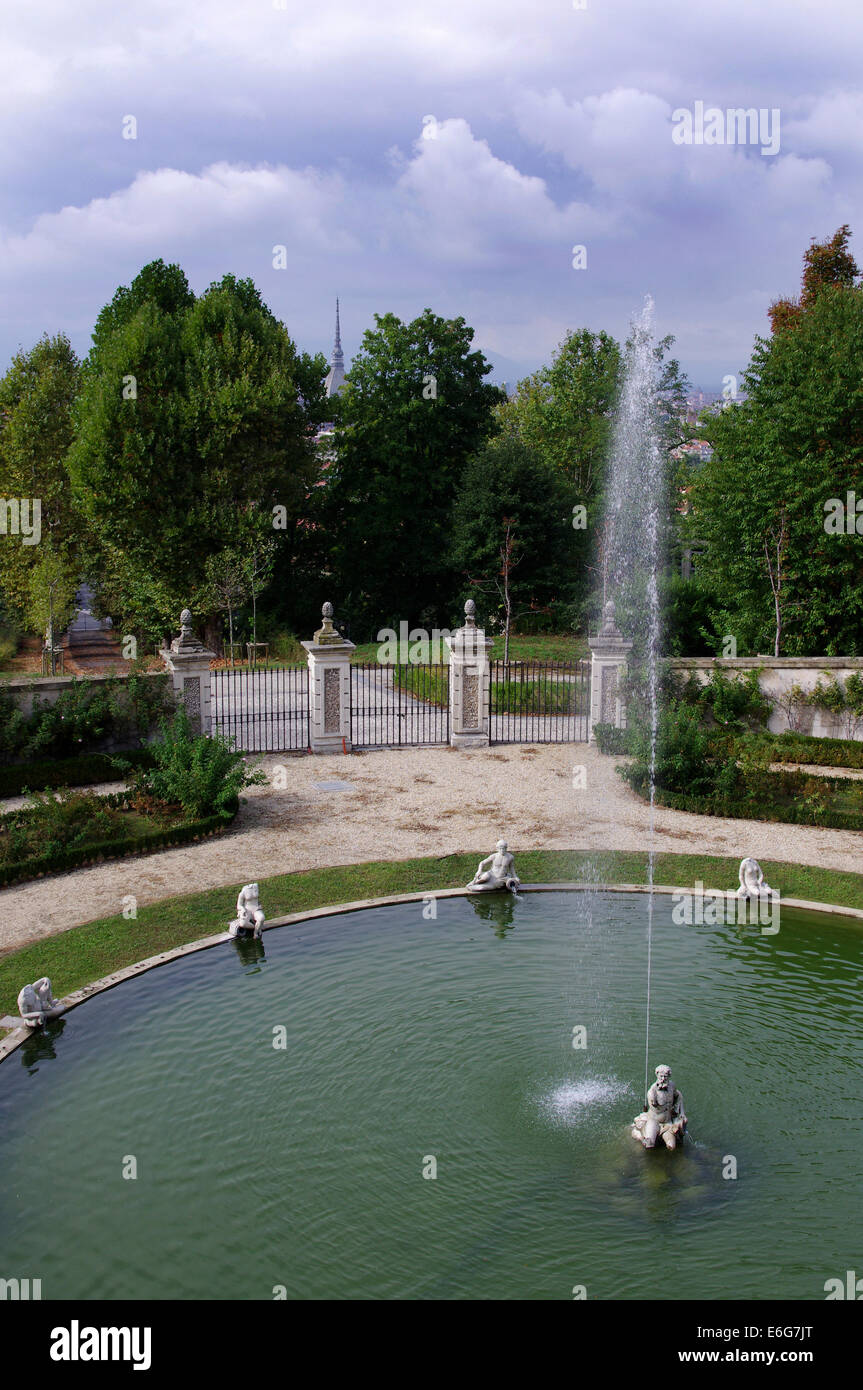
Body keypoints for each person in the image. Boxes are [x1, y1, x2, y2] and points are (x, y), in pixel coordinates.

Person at [631, 1064, 687, 1150]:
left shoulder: (672, 1086)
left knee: (672, 1146)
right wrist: (654, 1100)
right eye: (661, 1076)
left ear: (669, 1076)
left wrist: (681, 1112)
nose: (663, 1079)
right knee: (650, 1145)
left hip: (668, 1122)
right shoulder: (652, 1092)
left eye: (665, 1077)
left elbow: (679, 1095)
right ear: (657, 1075)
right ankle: (641, 1134)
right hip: (654, 1122)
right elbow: (654, 1104)